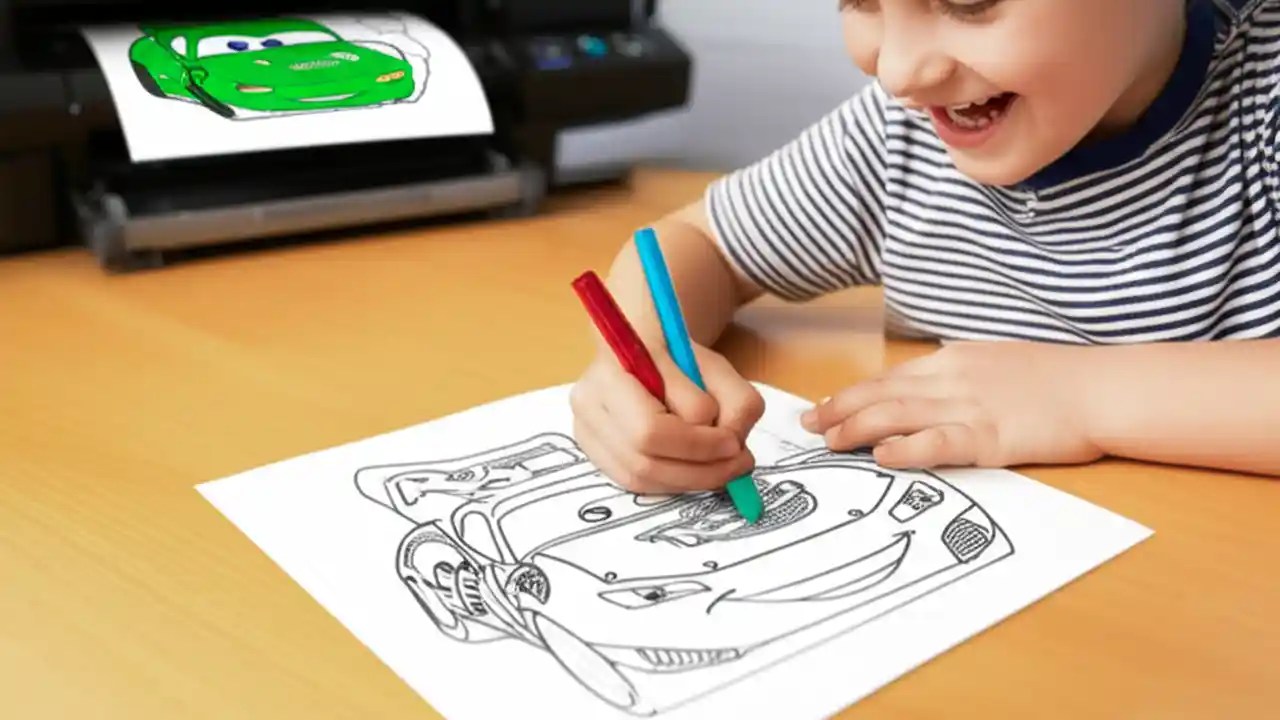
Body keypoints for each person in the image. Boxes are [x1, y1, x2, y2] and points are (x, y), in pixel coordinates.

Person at [569, 0, 1280, 494]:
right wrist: (646, 363)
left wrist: (1078, 396)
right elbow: (690, 242)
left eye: (969, 0)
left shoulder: (1262, 103)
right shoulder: (900, 141)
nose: (899, 73)